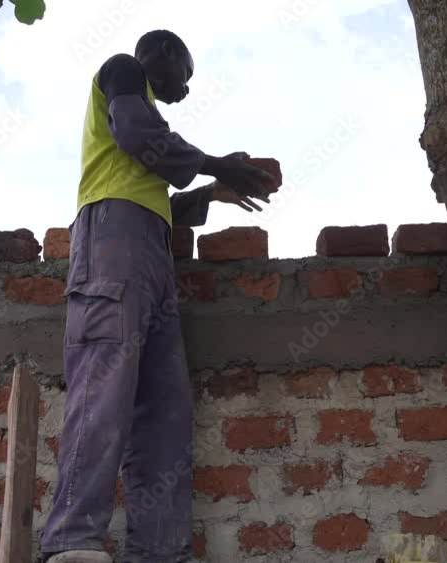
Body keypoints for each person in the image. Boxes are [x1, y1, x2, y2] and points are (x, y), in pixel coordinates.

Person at [40, 30, 274, 563]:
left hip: (150, 250)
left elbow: (156, 196)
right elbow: (137, 135)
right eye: (184, 77)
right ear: (163, 54)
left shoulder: (147, 139)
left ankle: (160, 551)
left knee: (164, 408)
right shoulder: (123, 70)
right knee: (104, 386)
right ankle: (73, 541)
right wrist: (218, 164)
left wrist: (213, 191)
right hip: (111, 238)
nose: (185, 92)